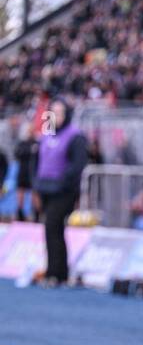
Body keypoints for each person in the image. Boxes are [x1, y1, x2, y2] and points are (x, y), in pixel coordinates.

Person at [33, 98, 89, 288]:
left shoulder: (75, 136)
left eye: (59, 112)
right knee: (53, 229)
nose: (55, 117)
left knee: (53, 224)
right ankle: (57, 272)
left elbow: (78, 164)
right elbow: (38, 161)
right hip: (46, 189)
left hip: (64, 191)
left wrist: (63, 182)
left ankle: (55, 273)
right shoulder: (46, 136)